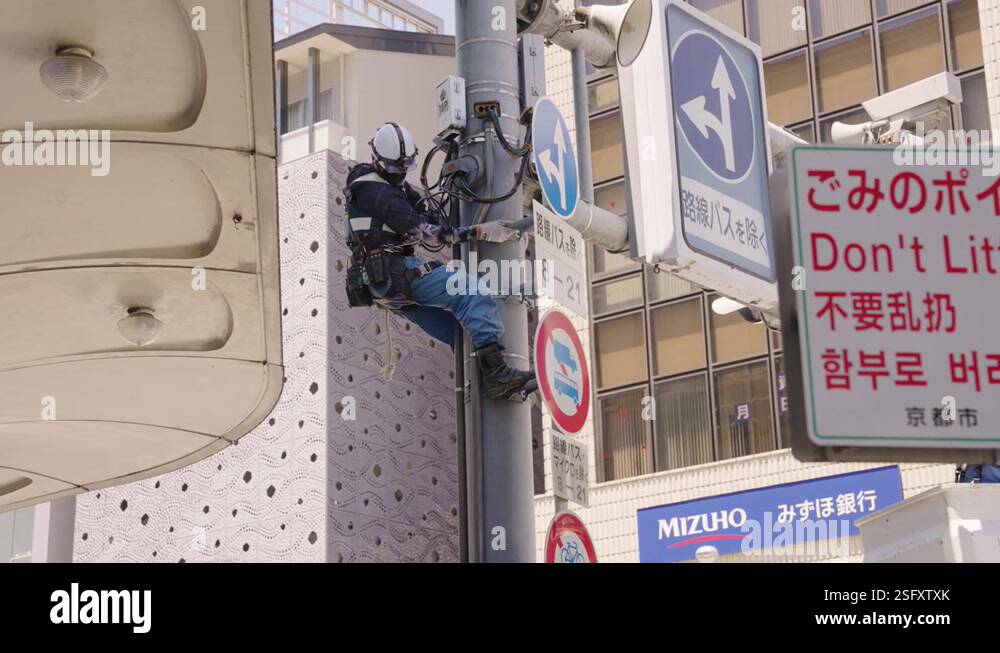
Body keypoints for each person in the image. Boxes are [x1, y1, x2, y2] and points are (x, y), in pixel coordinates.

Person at [343, 122, 535, 400]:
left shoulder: (375, 182)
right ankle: (496, 375)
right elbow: (429, 235)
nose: (401, 175)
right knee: (470, 293)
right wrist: (480, 231)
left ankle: (478, 384)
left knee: (459, 334)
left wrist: (442, 178)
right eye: (397, 169)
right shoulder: (378, 193)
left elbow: (423, 209)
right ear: (379, 160)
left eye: (404, 168)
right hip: (395, 275)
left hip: (384, 285)